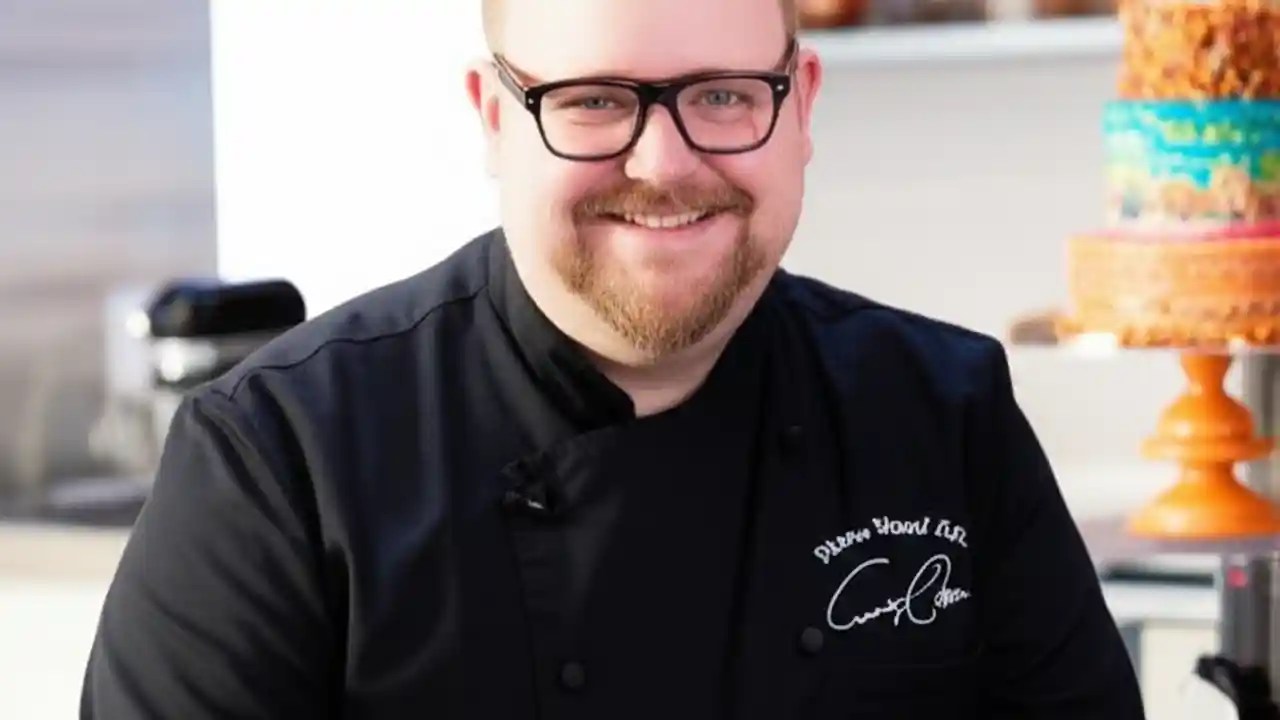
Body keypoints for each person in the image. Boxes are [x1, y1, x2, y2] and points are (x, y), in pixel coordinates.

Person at [81, 0, 1146, 717]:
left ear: (802, 104)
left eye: (724, 94)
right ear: (492, 118)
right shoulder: (276, 462)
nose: (664, 162)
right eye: (592, 101)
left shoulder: (943, 414)